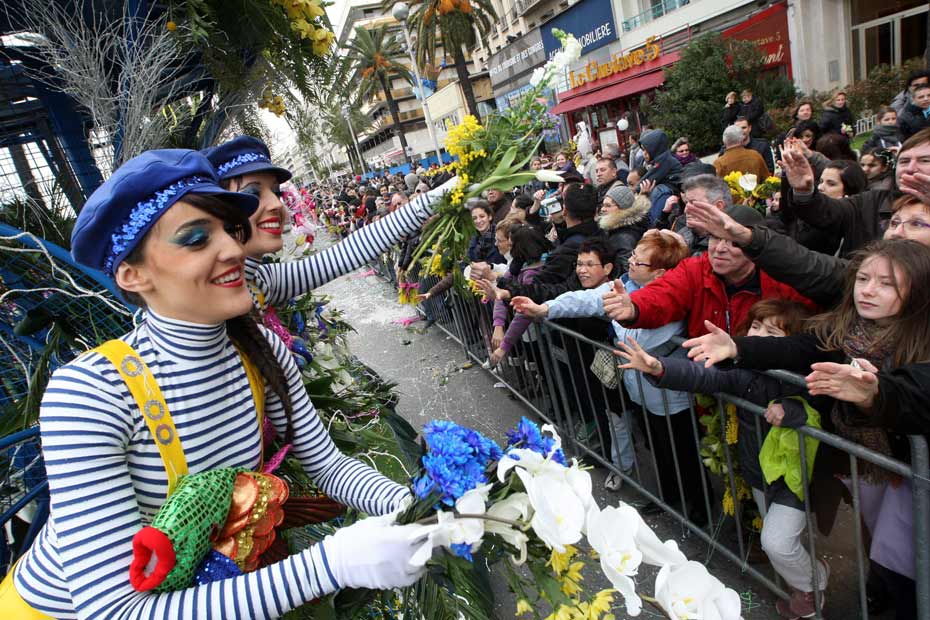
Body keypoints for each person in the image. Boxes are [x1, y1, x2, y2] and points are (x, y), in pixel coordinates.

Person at [0, 150, 431, 618]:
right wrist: (333, 564)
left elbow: (328, 467)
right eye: (196, 238)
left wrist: (425, 509)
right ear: (133, 274)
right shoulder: (90, 393)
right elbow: (113, 610)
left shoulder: (262, 351)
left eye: (228, 229)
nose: (230, 249)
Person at [682, 240, 930, 620]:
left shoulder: (921, 341)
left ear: (917, 289)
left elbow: (916, 392)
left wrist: (875, 395)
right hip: (868, 465)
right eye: (863, 278)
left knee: (909, 560)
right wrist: (738, 348)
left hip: (909, 469)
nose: (867, 290)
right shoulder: (845, 327)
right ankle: (880, 594)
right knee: (887, 552)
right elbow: (796, 348)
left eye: (886, 284)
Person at [617, 298, 830, 616]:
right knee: (778, 538)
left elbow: (819, 405)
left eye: (773, 332)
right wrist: (659, 368)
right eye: (756, 326)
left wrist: (792, 410)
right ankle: (807, 575)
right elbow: (706, 376)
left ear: (795, 344)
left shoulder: (807, 374)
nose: (758, 336)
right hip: (759, 473)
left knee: (776, 542)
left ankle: (812, 586)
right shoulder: (743, 371)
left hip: (793, 478)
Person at [513, 232, 693, 502]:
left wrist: (618, 313)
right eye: (632, 255)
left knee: (680, 454)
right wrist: (546, 309)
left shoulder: (672, 300)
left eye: (639, 261)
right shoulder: (627, 285)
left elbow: (635, 339)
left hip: (669, 397)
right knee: (657, 448)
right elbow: (585, 299)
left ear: (659, 273)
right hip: (641, 390)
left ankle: (695, 512)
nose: (630, 262)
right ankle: (670, 501)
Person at [204, 136, 457, 310]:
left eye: (276, 192)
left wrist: (455, 188)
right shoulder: (204, 302)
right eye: (253, 194)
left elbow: (352, 250)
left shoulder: (263, 282)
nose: (275, 205)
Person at [601, 204, 815, 338]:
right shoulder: (695, 268)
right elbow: (664, 293)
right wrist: (635, 307)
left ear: (755, 246)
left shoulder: (782, 279)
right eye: (715, 237)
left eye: (733, 242)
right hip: (712, 392)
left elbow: (811, 329)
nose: (720, 248)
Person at [598, 184, 650, 272]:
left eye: (608, 205)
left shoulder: (624, 237)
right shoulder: (616, 229)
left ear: (622, 208)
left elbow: (625, 271)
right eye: (603, 205)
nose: (603, 209)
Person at [638, 129, 682, 225]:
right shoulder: (662, 158)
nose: (643, 153)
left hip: (672, 189)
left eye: (645, 149)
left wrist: (635, 190)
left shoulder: (663, 160)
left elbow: (647, 180)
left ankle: (653, 225)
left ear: (653, 148)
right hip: (672, 188)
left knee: (658, 190)